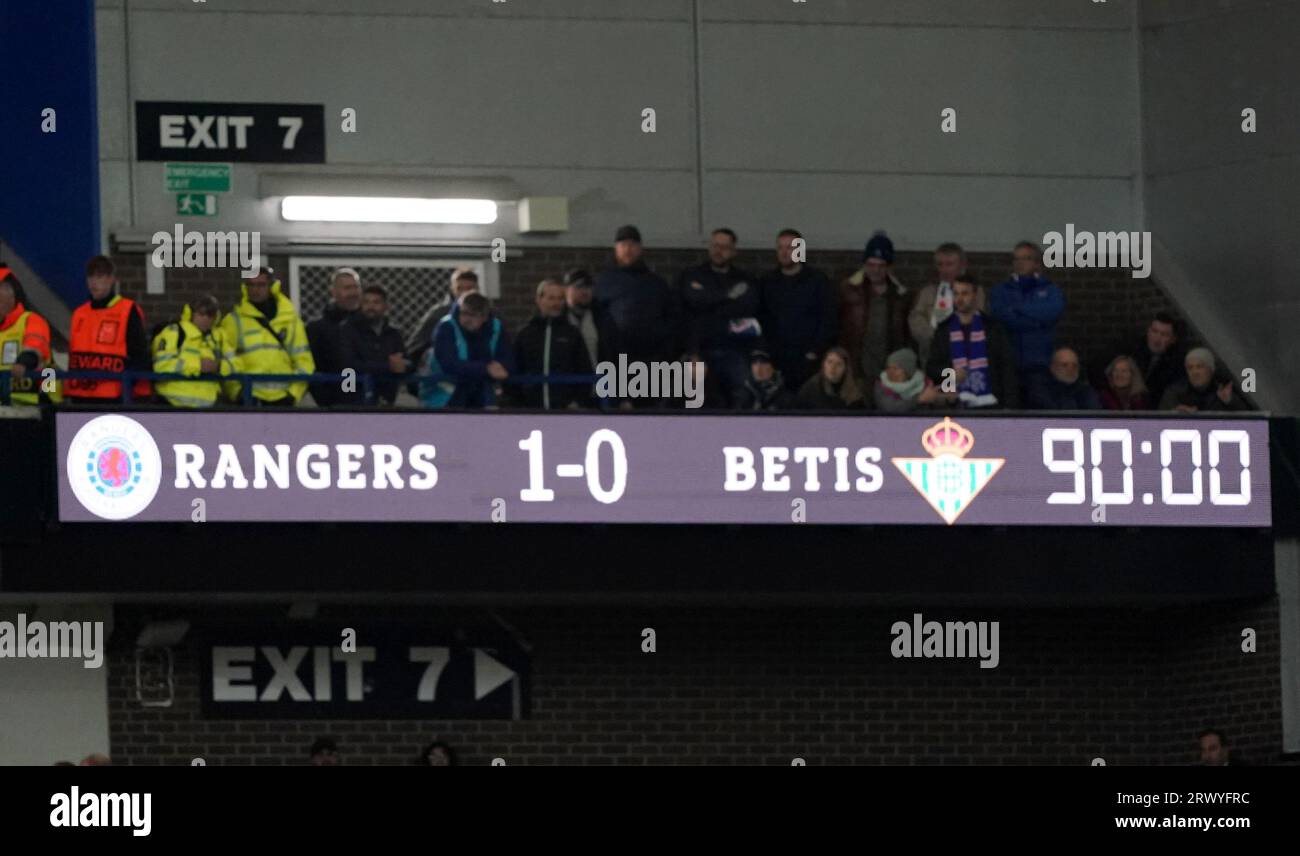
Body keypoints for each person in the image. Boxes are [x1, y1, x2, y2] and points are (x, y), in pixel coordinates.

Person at [675, 228, 762, 407]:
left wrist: (706, 299)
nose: (718, 251)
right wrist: (728, 296)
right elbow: (689, 306)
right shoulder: (692, 275)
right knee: (695, 398)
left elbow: (747, 309)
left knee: (745, 393)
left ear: (734, 251)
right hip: (699, 351)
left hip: (735, 351)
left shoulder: (746, 279)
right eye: (715, 245)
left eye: (724, 247)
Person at [219, 266, 315, 406]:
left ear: (272, 287)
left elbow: (304, 361)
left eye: (261, 285)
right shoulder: (233, 321)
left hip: (285, 400)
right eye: (251, 285)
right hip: (249, 399)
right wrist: (238, 393)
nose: (255, 290)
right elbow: (226, 362)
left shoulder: (290, 320)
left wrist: (293, 394)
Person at [759, 229, 838, 392]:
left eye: (790, 247)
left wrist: (815, 351)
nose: (784, 252)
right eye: (780, 247)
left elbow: (828, 318)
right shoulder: (767, 282)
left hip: (808, 361)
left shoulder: (817, 281)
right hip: (775, 359)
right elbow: (761, 319)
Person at [65, 255, 152, 403]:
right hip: (79, 396)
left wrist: (128, 388)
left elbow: (140, 355)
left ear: (111, 279)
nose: (94, 282)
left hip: (114, 397)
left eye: (100, 277)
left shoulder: (127, 310)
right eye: (91, 277)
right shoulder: (79, 313)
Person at [925, 274, 1019, 409]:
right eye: (956, 294)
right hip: (955, 403)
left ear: (975, 295)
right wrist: (951, 374)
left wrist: (1010, 406)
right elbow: (932, 368)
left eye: (964, 294)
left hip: (990, 403)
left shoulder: (993, 328)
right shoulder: (943, 329)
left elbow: (1006, 367)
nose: (959, 299)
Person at [593, 225, 679, 369]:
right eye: (623, 244)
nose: (627, 249)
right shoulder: (603, 282)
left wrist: (665, 353)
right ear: (616, 248)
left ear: (640, 248)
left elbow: (671, 318)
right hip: (614, 362)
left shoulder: (657, 283)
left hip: (652, 362)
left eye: (632, 244)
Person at [989, 241, 1065, 390]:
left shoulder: (1051, 290)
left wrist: (1017, 308)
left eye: (1026, 258)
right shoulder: (1001, 290)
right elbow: (1002, 316)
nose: (1020, 263)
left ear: (1037, 263)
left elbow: (1052, 312)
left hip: (1041, 364)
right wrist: (1038, 323)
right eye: (1017, 259)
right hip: (1008, 364)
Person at [839, 231, 911, 382]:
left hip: (889, 369)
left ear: (889, 267)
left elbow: (904, 336)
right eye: (871, 265)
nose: (875, 270)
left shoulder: (901, 296)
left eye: (881, 265)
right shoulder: (848, 290)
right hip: (855, 368)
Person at [422, 292, 514, 409]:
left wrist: (501, 368)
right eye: (464, 313)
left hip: (483, 395)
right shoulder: (446, 327)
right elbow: (449, 364)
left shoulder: (495, 328)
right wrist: (486, 369)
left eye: (473, 315)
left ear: (484, 317)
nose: (466, 319)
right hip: (445, 398)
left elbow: (507, 361)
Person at [512, 278, 593, 409]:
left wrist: (578, 401)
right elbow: (514, 370)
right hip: (531, 411)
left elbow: (584, 369)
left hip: (566, 411)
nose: (556, 303)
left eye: (560, 298)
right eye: (551, 298)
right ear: (539, 300)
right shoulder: (525, 334)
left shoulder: (573, 334)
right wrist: (520, 403)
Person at [151, 295, 232, 408]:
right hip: (172, 404)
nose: (205, 319)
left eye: (210, 315)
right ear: (190, 314)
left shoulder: (219, 336)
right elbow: (162, 366)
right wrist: (198, 365)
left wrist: (218, 367)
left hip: (210, 406)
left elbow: (236, 365)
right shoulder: (174, 332)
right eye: (201, 314)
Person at [908, 243, 982, 364]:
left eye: (949, 264)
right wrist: (936, 336)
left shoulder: (976, 293)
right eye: (940, 265)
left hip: (965, 359)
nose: (944, 270)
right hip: (932, 358)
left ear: (962, 265)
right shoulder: (927, 293)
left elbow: (977, 320)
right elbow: (915, 320)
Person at [340, 285, 409, 406]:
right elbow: (348, 365)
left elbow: (405, 359)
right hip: (354, 399)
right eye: (366, 302)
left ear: (386, 306)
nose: (370, 307)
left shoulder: (394, 333)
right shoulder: (348, 330)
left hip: (386, 399)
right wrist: (387, 367)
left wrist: (404, 365)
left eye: (376, 302)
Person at [306, 267, 362, 406]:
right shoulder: (316, 329)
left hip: (367, 402)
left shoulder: (369, 325)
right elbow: (311, 367)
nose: (353, 293)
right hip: (333, 405)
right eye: (347, 288)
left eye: (356, 287)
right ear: (333, 292)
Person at [405, 267, 480, 368]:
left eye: (469, 288)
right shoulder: (439, 314)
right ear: (452, 289)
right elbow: (417, 346)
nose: (464, 293)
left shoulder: (489, 314)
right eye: (460, 288)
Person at [0, 267, 54, 405]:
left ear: (13, 296)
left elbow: (35, 347)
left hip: (36, 405)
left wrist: (23, 362)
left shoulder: (31, 320)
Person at [1123, 312, 1186, 404]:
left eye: (1164, 334)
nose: (1157, 338)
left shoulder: (1177, 363)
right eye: (1154, 331)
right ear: (1148, 331)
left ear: (1173, 339)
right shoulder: (1132, 350)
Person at [1159, 348, 1247, 412]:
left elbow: (1247, 418)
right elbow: (1160, 419)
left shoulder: (1223, 391)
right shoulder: (1174, 392)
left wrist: (1229, 401)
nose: (1194, 372)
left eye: (1199, 367)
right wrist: (1175, 413)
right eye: (1190, 368)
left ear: (1210, 369)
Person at [563, 268, 618, 369]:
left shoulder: (603, 319)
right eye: (579, 287)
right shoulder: (559, 319)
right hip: (565, 382)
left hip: (596, 381)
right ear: (566, 290)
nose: (585, 291)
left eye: (588, 287)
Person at [1026, 347, 1101, 410]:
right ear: (1052, 367)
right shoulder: (1039, 390)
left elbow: (1094, 413)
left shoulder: (1086, 391)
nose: (1070, 369)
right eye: (1064, 365)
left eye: (1074, 365)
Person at [796, 347, 865, 410]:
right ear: (823, 364)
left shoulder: (854, 391)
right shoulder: (811, 387)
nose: (833, 368)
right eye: (829, 362)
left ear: (846, 369)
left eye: (839, 364)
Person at [874, 348, 940, 413]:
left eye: (895, 368)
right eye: (888, 368)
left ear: (908, 371)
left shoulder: (924, 384)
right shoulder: (881, 386)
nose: (891, 372)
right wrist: (918, 400)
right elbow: (890, 407)